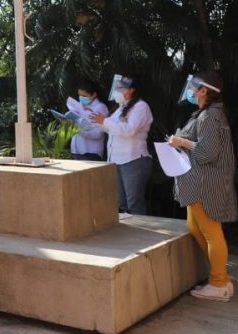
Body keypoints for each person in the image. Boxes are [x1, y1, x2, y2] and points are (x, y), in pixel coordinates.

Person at [168, 72, 237, 302]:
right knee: (195, 227)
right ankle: (221, 278)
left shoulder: (210, 116)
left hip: (205, 184)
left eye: (193, 87)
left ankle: (218, 282)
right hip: (198, 183)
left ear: (203, 91)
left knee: (211, 232)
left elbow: (207, 153)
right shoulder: (207, 114)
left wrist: (181, 142)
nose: (190, 91)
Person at [89, 74, 153, 215]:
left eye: (120, 88)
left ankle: (140, 235)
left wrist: (104, 121)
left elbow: (129, 130)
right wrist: (93, 119)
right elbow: (109, 128)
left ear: (131, 90)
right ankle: (128, 234)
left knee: (134, 204)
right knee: (121, 204)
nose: (117, 91)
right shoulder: (120, 108)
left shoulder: (141, 107)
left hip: (134, 160)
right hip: (116, 161)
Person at [70, 79, 108, 161]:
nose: (81, 99)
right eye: (79, 96)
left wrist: (78, 129)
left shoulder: (100, 108)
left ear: (94, 94)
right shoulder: (79, 105)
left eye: (84, 96)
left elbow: (98, 134)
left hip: (91, 153)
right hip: (77, 152)